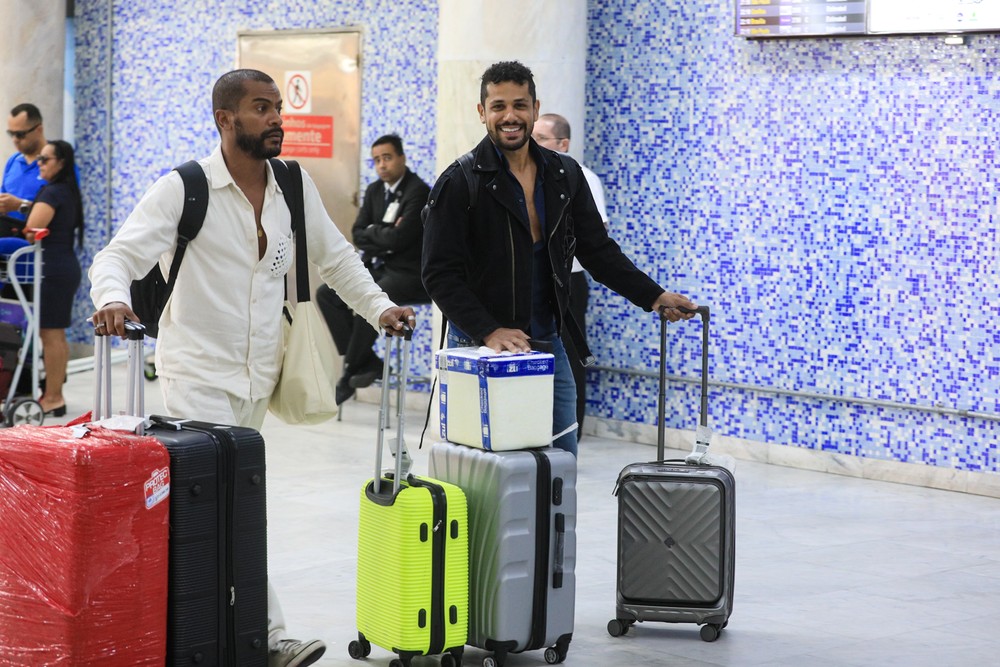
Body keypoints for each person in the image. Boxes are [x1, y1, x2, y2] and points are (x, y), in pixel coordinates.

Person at [89, 69, 416, 667]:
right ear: (225, 119)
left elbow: (336, 257)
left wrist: (380, 308)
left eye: (277, 109)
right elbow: (117, 255)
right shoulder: (185, 188)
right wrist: (112, 298)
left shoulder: (292, 183)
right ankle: (267, 636)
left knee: (214, 505)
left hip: (258, 376)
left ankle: (203, 630)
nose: (275, 120)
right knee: (233, 502)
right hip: (194, 375)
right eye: (261, 109)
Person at [421, 60, 697, 457]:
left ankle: (552, 524)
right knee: (492, 467)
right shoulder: (460, 182)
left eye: (520, 104)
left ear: (535, 108)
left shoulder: (565, 175)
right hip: (481, 345)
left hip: (547, 337)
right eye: (498, 106)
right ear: (482, 112)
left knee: (560, 459)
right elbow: (438, 274)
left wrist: (653, 296)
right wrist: (489, 330)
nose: (510, 116)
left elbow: (597, 251)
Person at [316, 134, 431, 405]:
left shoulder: (419, 192)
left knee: (371, 299)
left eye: (387, 158)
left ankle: (349, 374)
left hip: (410, 274)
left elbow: (401, 239)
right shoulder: (375, 191)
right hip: (381, 268)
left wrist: (377, 234)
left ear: (402, 158)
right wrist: (385, 235)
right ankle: (367, 362)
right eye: (377, 160)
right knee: (326, 294)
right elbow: (358, 233)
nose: (382, 165)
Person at [532, 112, 608, 443]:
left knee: (571, 356)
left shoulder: (583, 178)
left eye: (540, 139)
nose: (531, 144)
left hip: (569, 281)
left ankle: (570, 432)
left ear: (563, 144)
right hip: (538, 281)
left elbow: (598, 235)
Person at [20, 140, 83, 416]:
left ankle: (54, 396)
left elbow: (33, 230)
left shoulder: (53, 193)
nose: (39, 164)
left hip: (53, 270)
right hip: (60, 268)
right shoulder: (65, 191)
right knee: (53, 333)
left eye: (45, 159)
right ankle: (53, 393)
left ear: (61, 163)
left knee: (52, 334)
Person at [0, 104, 48, 237]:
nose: (15, 140)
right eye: (11, 134)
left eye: (20, 134)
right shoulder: (13, 161)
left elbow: (65, 211)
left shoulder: (56, 161)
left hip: (41, 247)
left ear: (39, 130)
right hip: (10, 244)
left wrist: (21, 205)